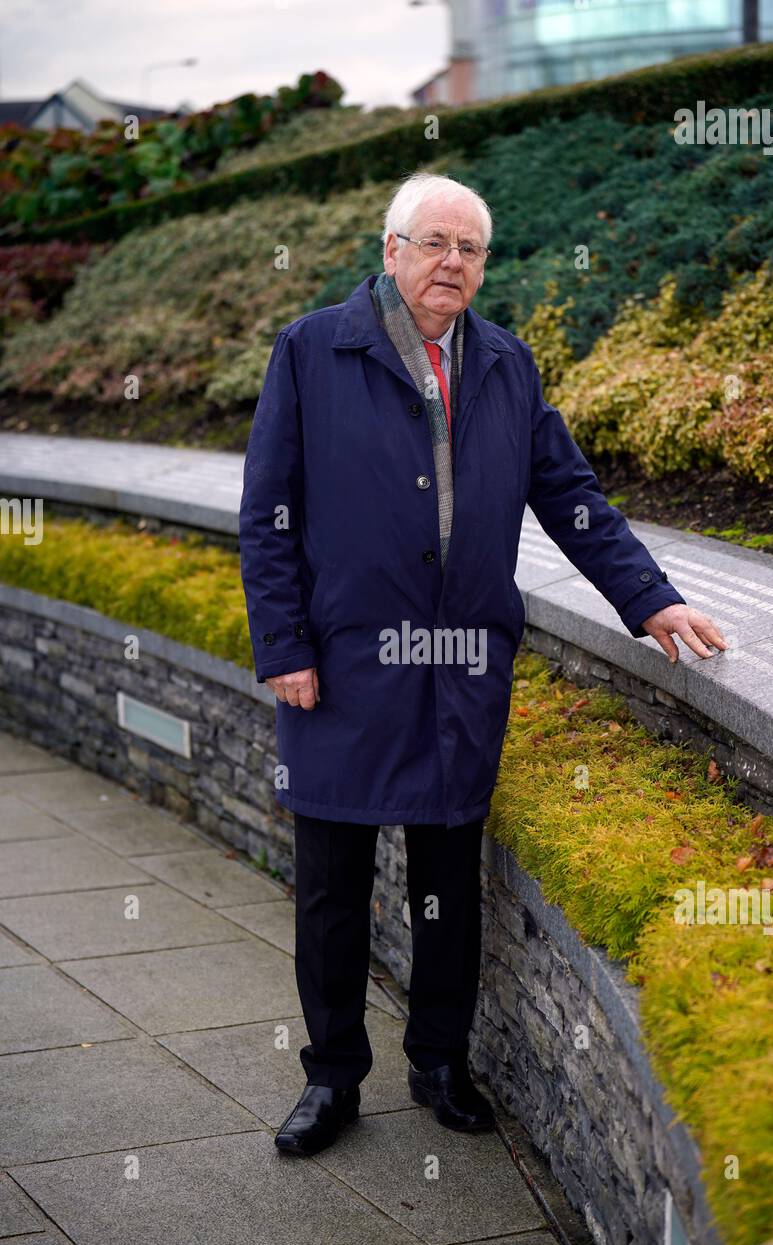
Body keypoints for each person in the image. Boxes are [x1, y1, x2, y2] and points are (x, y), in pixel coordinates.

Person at [238, 172, 726, 1157]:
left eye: (469, 248)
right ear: (389, 250)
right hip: (338, 665)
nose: (451, 262)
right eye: (433, 243)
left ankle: (439, 1061)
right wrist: (282, 644)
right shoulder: (310, 351)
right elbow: (268, 511)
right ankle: (331, 1079)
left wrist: (649, 597)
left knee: (445, 879)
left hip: (459, 668)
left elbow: (569, 494)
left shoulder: (505, 361)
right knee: (331, 886)